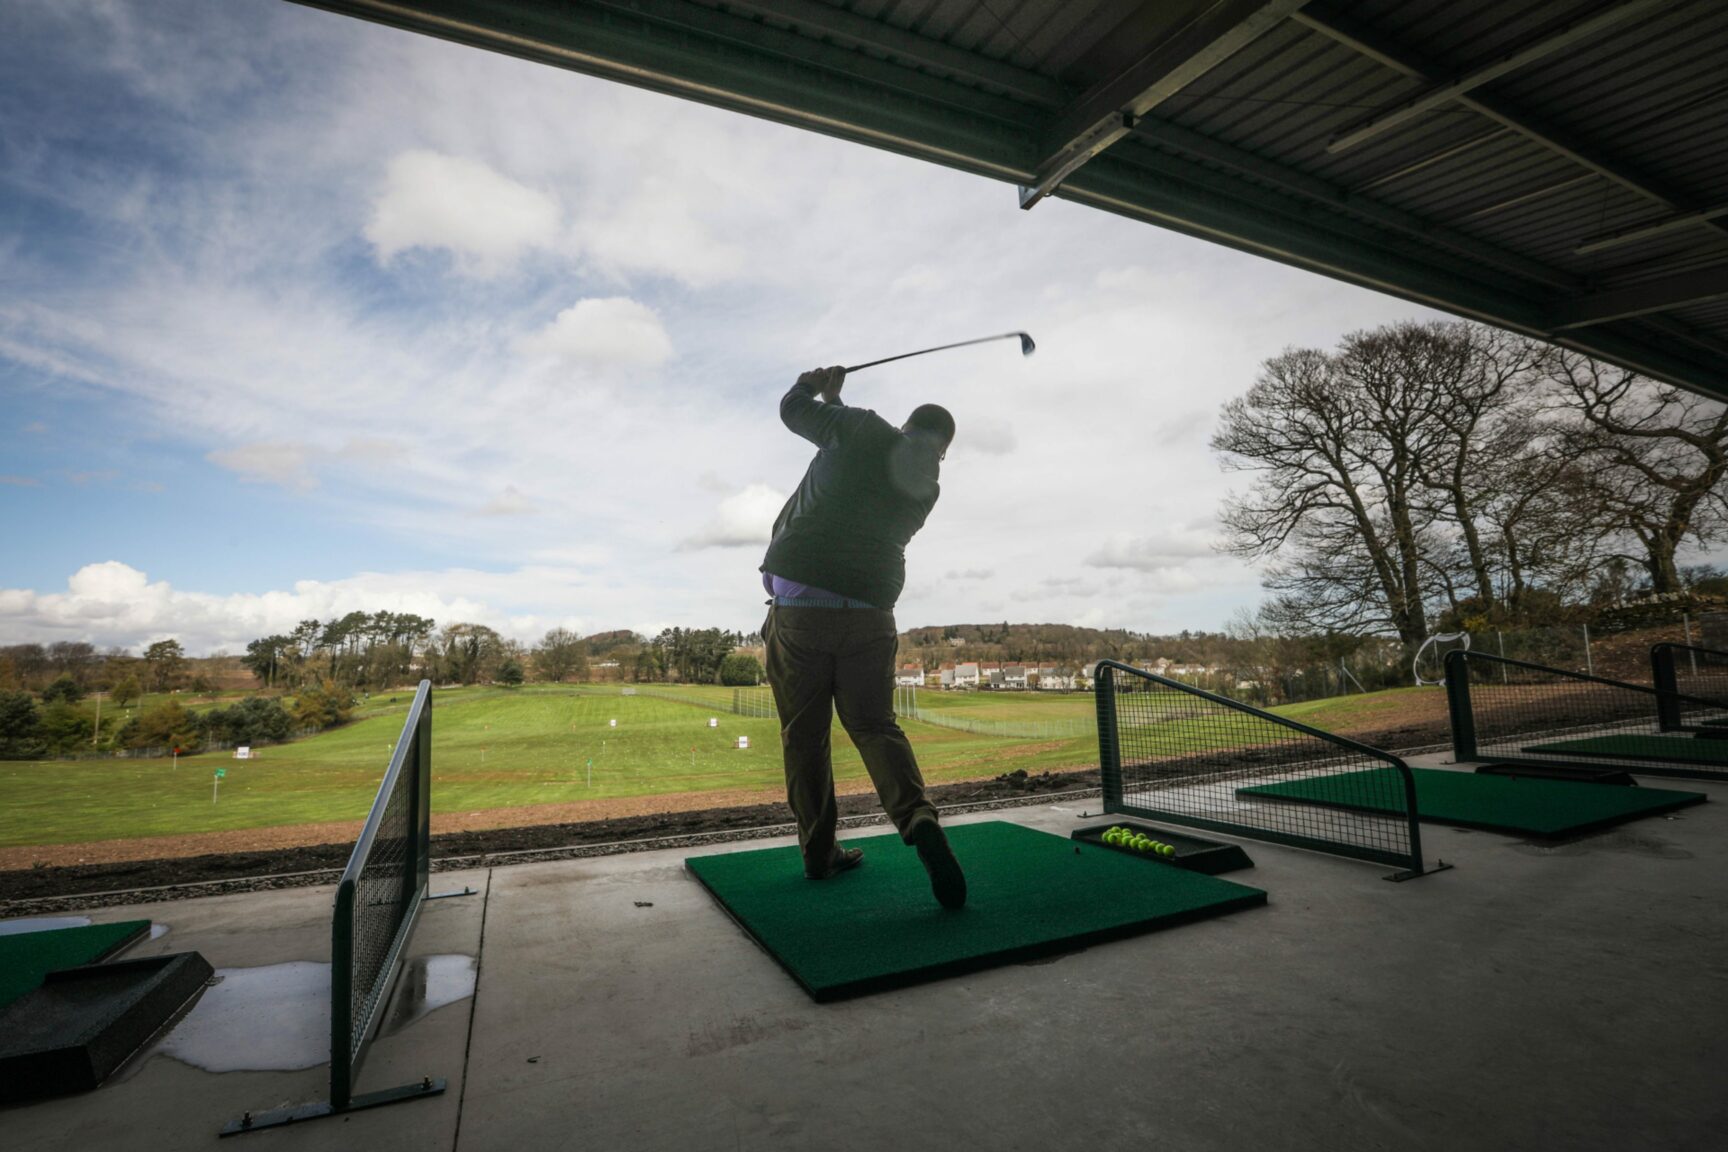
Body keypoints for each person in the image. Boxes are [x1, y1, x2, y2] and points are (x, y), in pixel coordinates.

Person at [759, 364, 966, 909]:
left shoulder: (862, 427)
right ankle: (918, 817)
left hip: (800, 610)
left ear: (905, 425)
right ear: (941, 450)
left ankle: (819, 854)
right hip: (872, 614)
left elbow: (793, 413)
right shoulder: (927, 485)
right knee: (875, 726)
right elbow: (875, 466)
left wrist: (811, 386)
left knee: (805, 736)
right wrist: (837, 402)